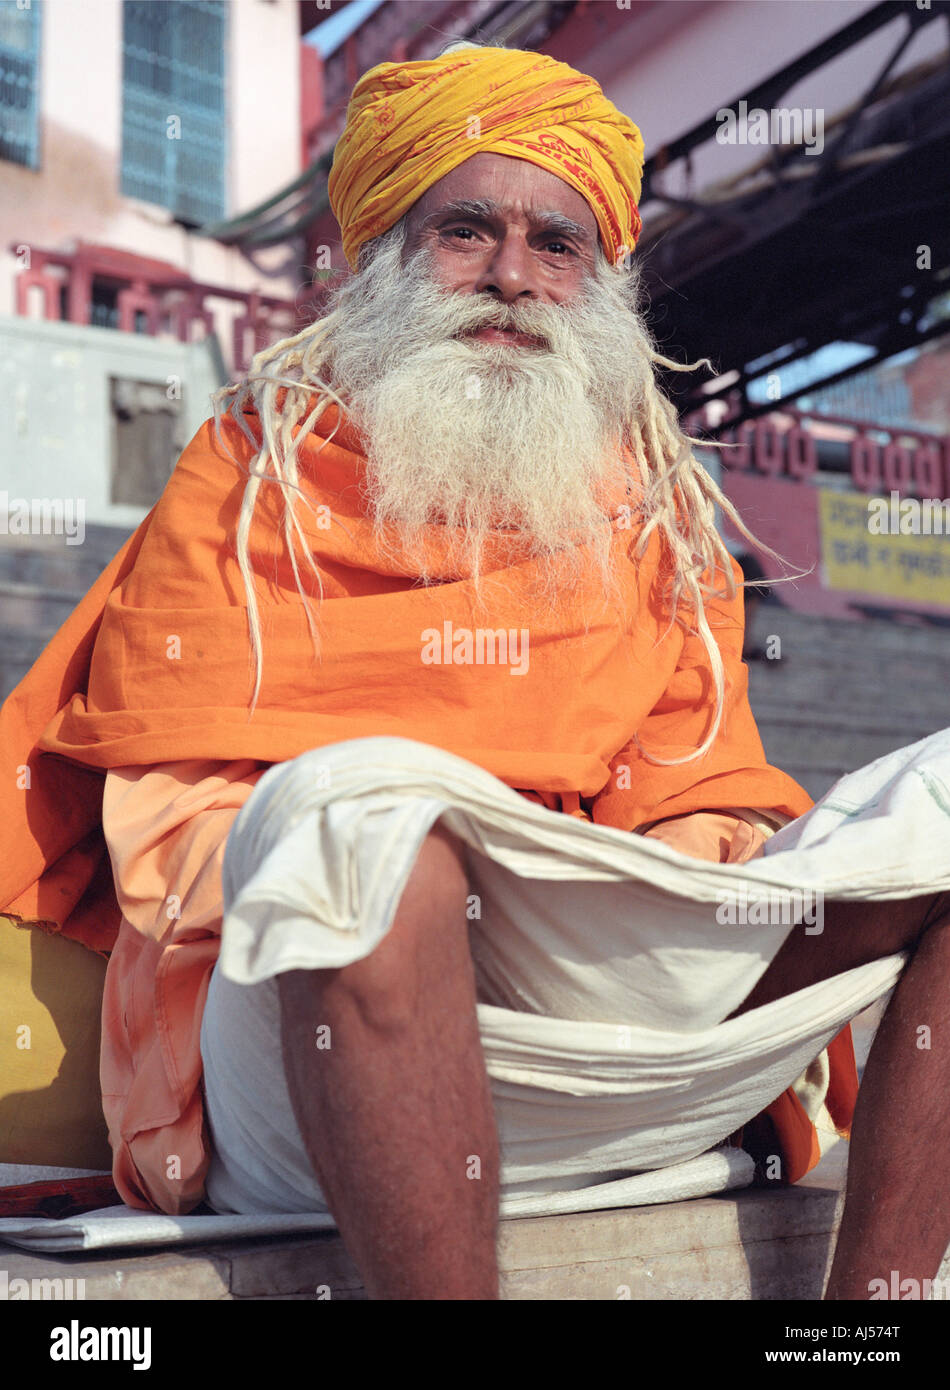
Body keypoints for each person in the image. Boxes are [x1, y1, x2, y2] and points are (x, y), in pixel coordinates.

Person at [1, 42, 948, 1302]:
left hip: (609, 1029)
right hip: (312, 1038)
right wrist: (454, 849)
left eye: (556, 245)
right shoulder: (250, 475)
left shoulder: (654, 511)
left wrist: (632, 891)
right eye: (466, 230)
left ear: (598, 282)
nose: (510, 276)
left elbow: (699, 788)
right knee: (360, 813)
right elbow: (171, 827)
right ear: (388, 255)